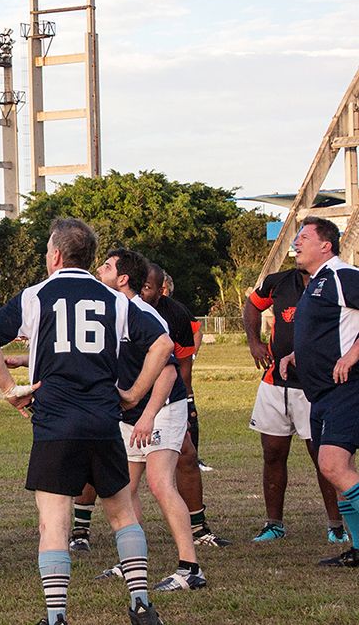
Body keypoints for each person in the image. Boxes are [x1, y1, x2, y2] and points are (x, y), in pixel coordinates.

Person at [0, 219, 170, 625]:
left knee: (54, 521)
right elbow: (163, 343)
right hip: (102, 419)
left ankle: (57, 616)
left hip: (55, 422)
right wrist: (133, 394)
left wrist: (11, 388)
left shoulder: (36, 295)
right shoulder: (115, 299)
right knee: (122, 513)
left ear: (56, 255)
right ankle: (140, 602)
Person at [93, 249, 205, 593]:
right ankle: (131, 563)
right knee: (124, 490)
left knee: (160, 484)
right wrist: (26, 360)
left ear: (123, 278)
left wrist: (148, 415)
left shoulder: (141, 313)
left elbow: (169, 371)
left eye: (107, 266)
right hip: (130, 413)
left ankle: (190, 568)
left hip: (161, 408)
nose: (99, 269)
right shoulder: (109, 311)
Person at [243, 265, 345, 543]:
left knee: (324, 458)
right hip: (275, 383)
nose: (297, 246)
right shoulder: (278, 281)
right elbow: (252, 305)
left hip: (316, 385)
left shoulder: (338, 280)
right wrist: (254, 341)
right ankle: (274, 524)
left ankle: (336, 525)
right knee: (273, 453)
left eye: (304, 241)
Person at [280, 216, 359, 567]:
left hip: (347, 387)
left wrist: (353, 355)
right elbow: (329, 328)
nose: (296, 242)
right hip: (320, 392)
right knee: (336, 471)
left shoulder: (344, 275)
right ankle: (357, 549)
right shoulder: (316, 282)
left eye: (304, 237)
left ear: (325, 245)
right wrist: (300, 353)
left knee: (332, 464)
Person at [141, 264, 231, 548]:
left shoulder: (174, 312)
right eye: (141, 285)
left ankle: (199, 528)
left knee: (187, 455)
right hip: (124, 395)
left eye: (150, 287)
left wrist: (188, 401)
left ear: (161, 290)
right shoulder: (118, 308)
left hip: (166, 395)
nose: (146, 291)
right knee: (101, 456)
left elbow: (182, 366)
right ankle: (81, 533)